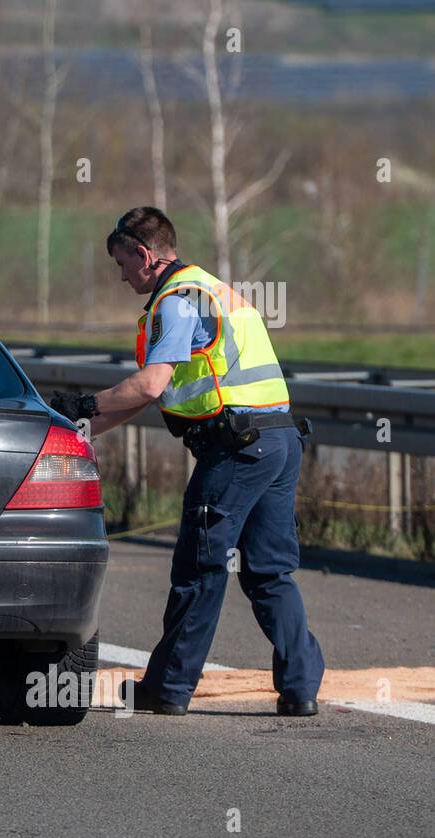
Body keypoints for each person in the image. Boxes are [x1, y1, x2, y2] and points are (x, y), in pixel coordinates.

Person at [49, 206, 325, 717]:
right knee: (269, 573)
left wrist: (84, 404)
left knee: (200, 568)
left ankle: (168, 690)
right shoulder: (215, 290)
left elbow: (150, 384)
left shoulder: (176, 302)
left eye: (122, 263)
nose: (121, 274)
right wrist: (80, 432)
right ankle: (301, 688)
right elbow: (153, 396)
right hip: (280, 442)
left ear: (144, 254)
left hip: (236, 449)